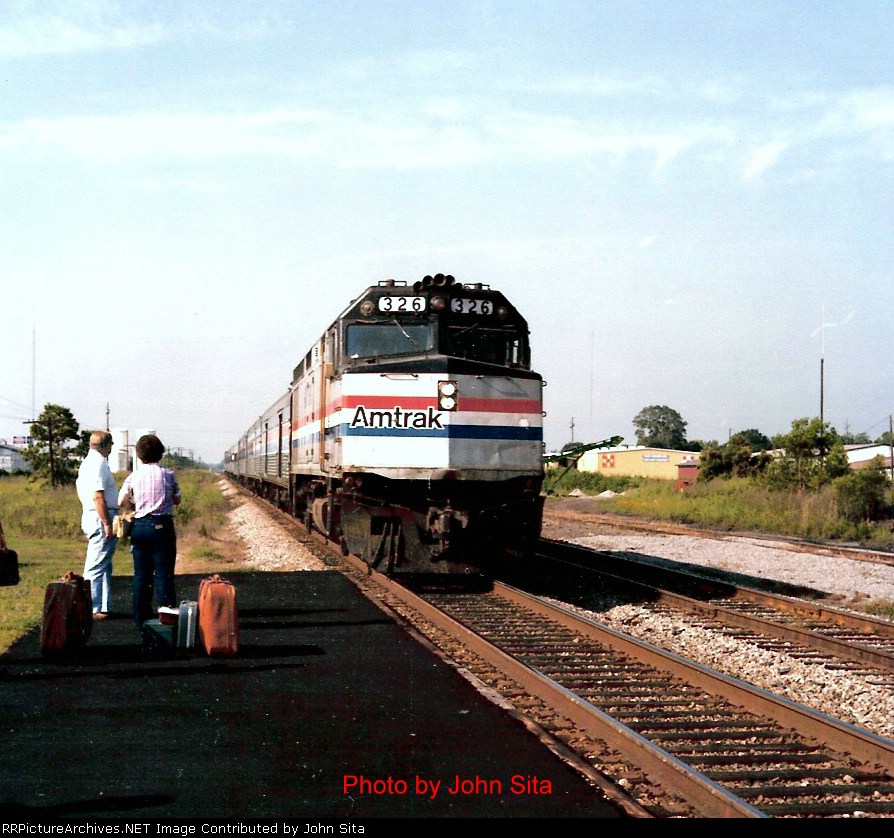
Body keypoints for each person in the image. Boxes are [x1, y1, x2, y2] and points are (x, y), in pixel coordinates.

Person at [118, 434, 182, 630]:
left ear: (138, 455)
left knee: (141, 575)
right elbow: (177, 499)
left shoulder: (133, 476)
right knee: (163, 574)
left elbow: (121, 501)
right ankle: (167, 618)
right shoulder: (168, 475)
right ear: (161, 454)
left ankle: (141, 620)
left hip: (140, 527)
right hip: (162, 526)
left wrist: (133, 503)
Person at [75, 431, 119, 619]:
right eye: (111, 444)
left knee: (104, 563)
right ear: (105, 445)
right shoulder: (98, 463)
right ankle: (91, 606)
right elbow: (98, 496)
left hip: (94, 514)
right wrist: (107, 523)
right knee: (96, 564)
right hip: (100, 516)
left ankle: (102, 605)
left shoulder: (88, 462)